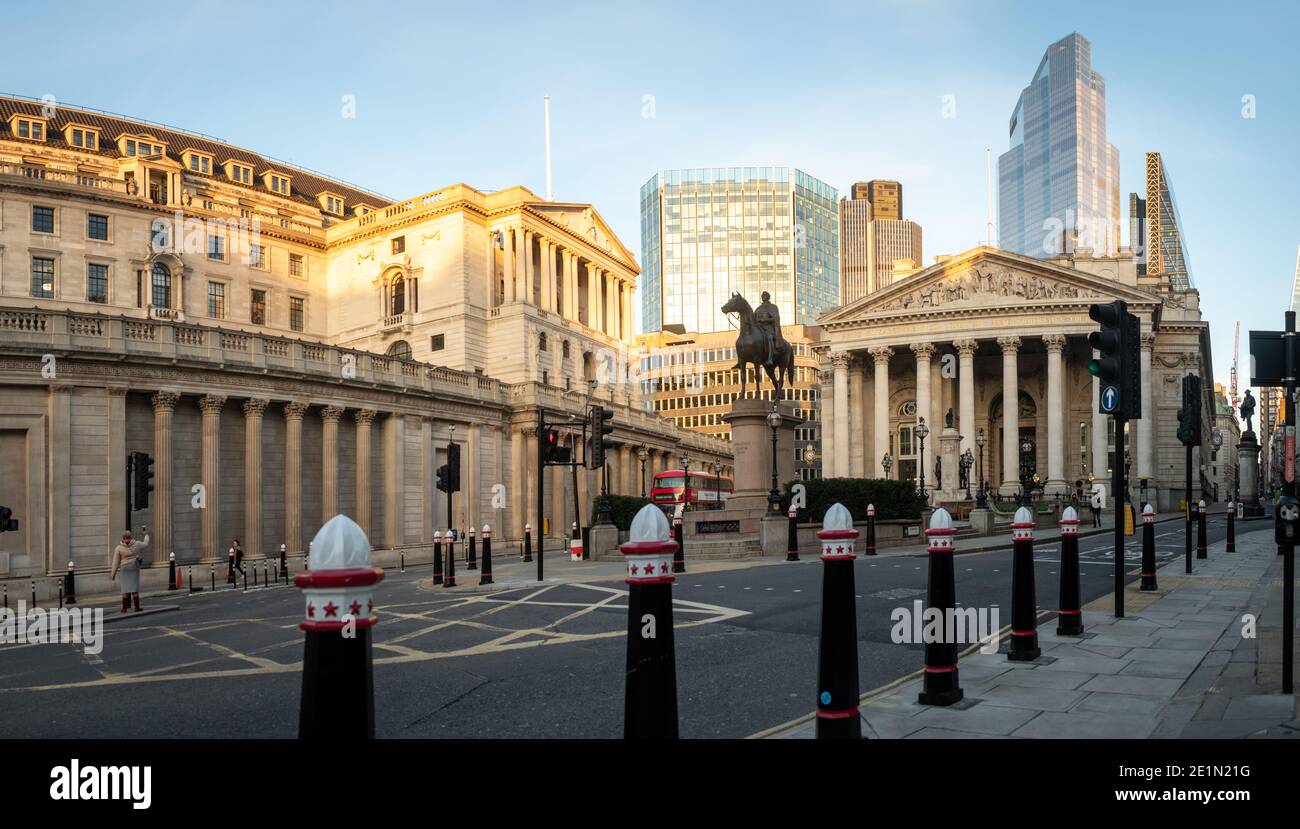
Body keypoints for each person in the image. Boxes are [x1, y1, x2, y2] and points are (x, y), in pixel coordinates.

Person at [111, 526, 150, 613]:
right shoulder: (137, 544)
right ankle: (137, 607)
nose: (126, 540)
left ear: (123, 538)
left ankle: (124, 609)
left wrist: (113, 574)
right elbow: (146, 543)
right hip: (134, 567)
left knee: (125, 589)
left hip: (124, 568)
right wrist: (146, 534)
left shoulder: (119, 548)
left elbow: (115, 562)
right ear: (131, 537)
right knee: (134, 589)